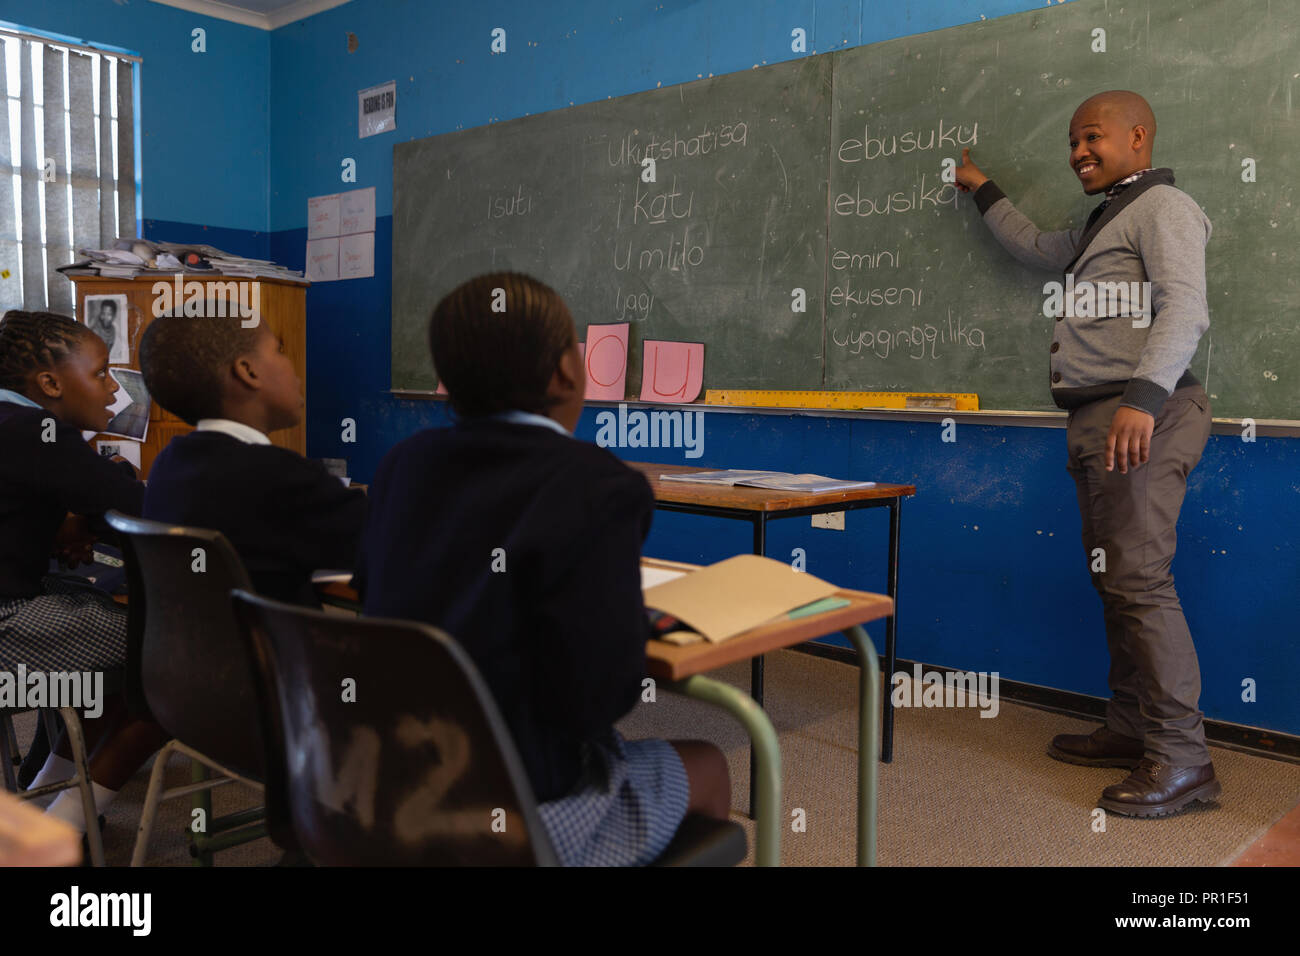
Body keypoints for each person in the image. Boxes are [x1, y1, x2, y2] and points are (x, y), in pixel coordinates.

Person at [355, 272, 731, 864]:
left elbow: (372, 591)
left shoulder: (402, 465)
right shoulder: (597, 483)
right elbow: (600, 701)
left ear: (447, 382)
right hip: (522, 808)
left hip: (388, 782)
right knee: (710, 765)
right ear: (566, 371)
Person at [955, 90, 1219, 817]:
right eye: (1072, 141)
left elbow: (1186, 307)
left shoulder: (1164, 208)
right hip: (1103, 420)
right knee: (1117, 581)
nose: (1077, 152)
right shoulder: (1109, 219)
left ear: (1139, 137)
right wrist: (984, 191)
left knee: (1137, 581)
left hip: (1144, 414)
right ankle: (1135, 726)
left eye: (1092, 137)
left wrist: (1141, 398)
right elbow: (1037, 247)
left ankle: (1184, 761)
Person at [0, 310, 165, 832]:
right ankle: (66, 826)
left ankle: (46, 794)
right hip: (8, 626)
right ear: (49, 383)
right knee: (176, 661)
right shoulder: (37, 430)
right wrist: (85, 510)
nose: (113, 390)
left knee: (111, 649)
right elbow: (133, 506)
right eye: (99, 373)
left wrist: (68, 514)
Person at [139, 308, 366, 607]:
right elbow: (393, 539)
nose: (292, 366)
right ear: (248, 371)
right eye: (279, 351)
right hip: (280, 653)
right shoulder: (281, 477)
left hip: (191, 652)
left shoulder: (169, 464)